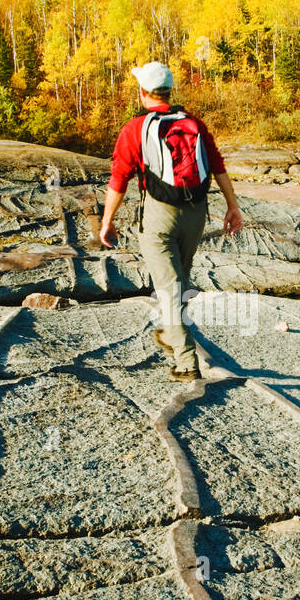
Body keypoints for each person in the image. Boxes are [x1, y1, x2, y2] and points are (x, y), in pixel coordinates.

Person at [99, 61, 243, 380]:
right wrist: (233, 207)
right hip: (196, 213)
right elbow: (217, 164)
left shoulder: (134, 128)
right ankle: (170, 331)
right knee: (178, 281)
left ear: (143, 92)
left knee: (170, 286)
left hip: (160, 214)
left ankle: (185, 359)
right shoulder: (193, 123)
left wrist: (107, 220)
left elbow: (119, 179)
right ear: (168, 90)